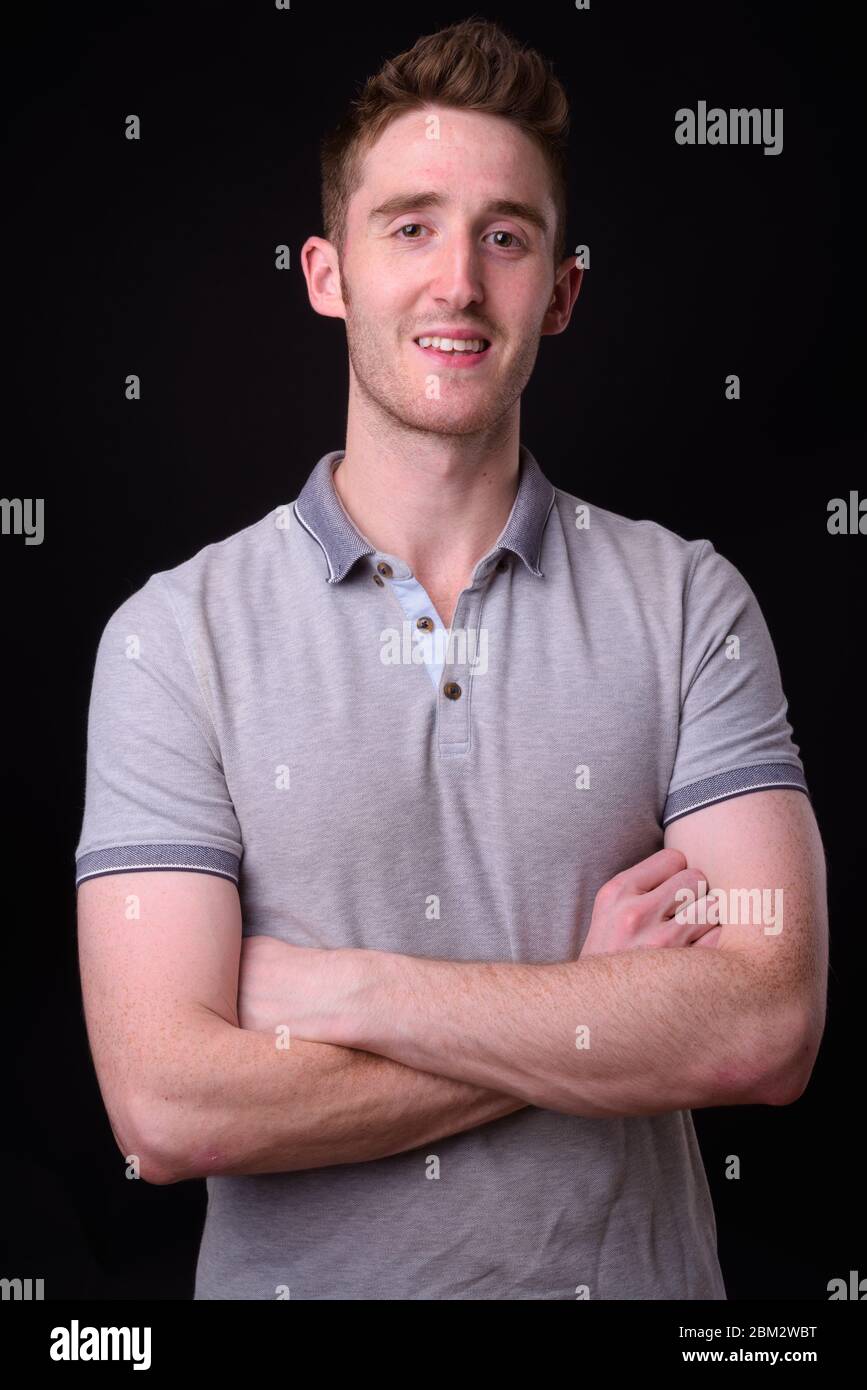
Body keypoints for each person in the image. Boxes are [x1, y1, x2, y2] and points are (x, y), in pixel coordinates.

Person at [75, 18, 827, 1300]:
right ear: (329, 272)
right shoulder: (171, 638)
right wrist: (590, 1004)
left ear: (564, 288)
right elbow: (168, 1108)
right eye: (410, 226)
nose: (458, 285)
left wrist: (348, 990)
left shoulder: (692, 602)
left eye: (506, 235)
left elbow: (766, 1025)